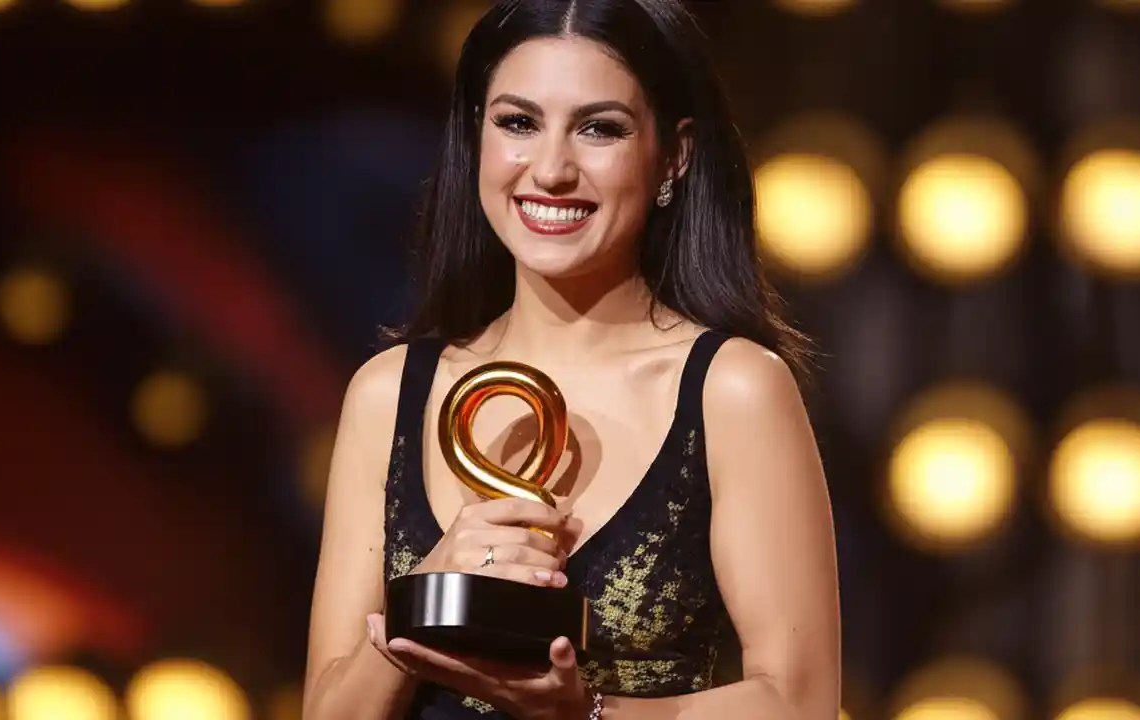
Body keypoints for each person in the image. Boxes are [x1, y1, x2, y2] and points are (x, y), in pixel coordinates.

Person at [303, 1, 840, 718]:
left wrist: (585, 714)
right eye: (518, 123)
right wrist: (429, 593)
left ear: (672, 156)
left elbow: (799, 703)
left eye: (599, 129)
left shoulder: (731, 390)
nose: (551, 169)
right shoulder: (389, 392)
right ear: (476, 138)